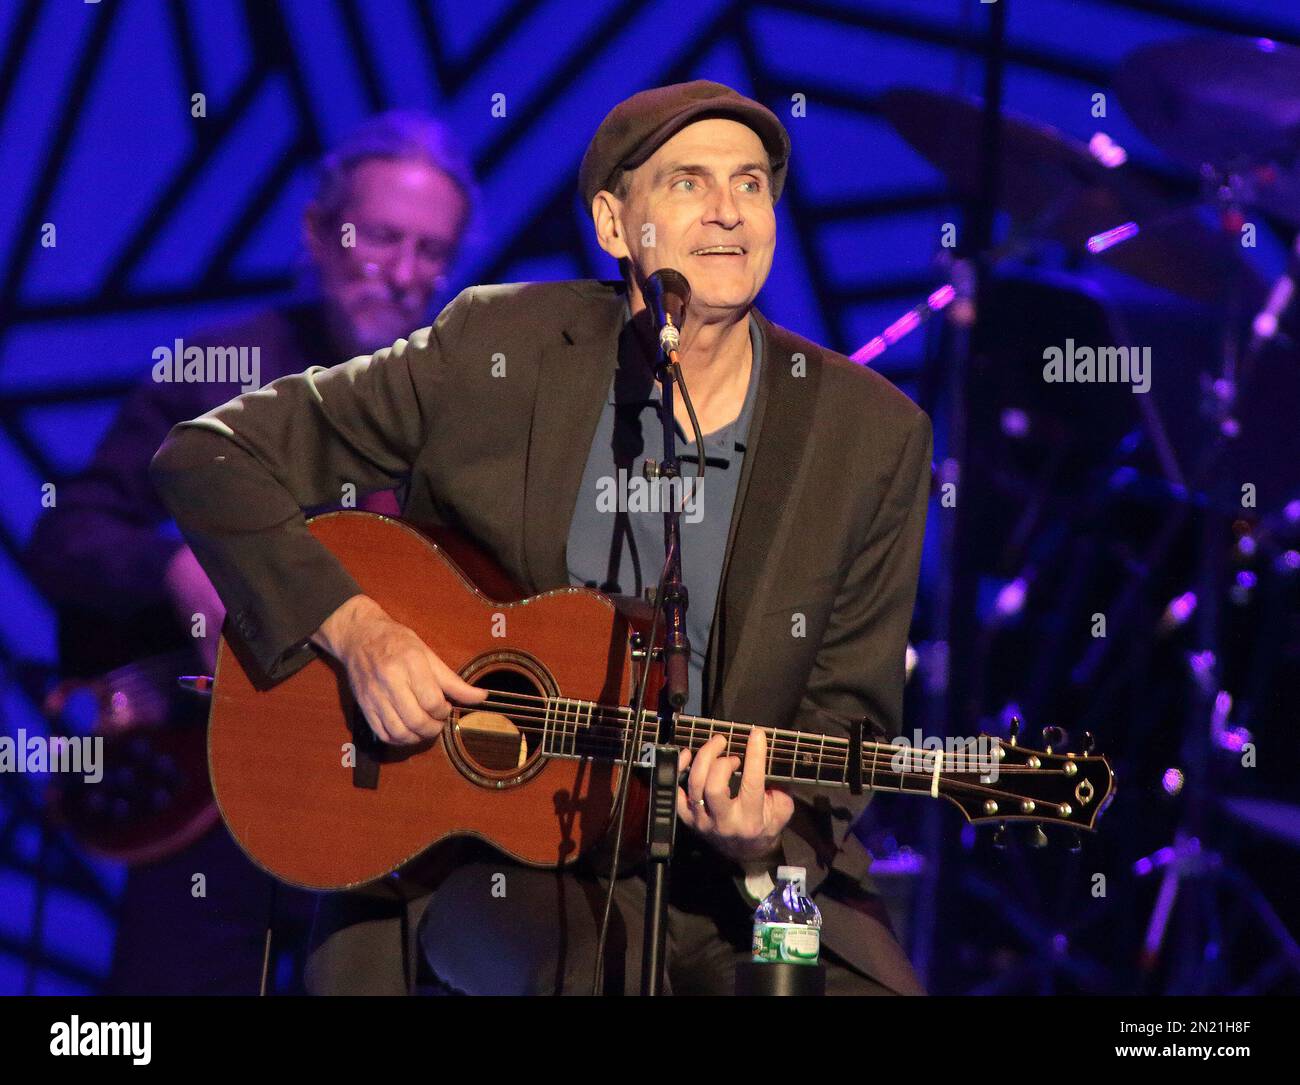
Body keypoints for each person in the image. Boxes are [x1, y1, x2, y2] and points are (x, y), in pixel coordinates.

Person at [149, 81, 932, 996]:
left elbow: (848, 715)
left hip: (744, 881)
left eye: (751, 184)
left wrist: (768, 830)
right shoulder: (500, 347)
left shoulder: (871, 434)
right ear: (612, 223)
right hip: (488, 863)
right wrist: (357, 630)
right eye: (689, 181)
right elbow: (211, 456)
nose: (728, 210)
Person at [26, 110, 476, 994]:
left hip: (385, 803)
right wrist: (175, 567)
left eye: (432, 251)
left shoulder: (458, 404)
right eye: (381, 237)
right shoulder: (225, 365)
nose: (403, 272)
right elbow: (69, 536)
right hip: (214, 795)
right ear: (318, 231)